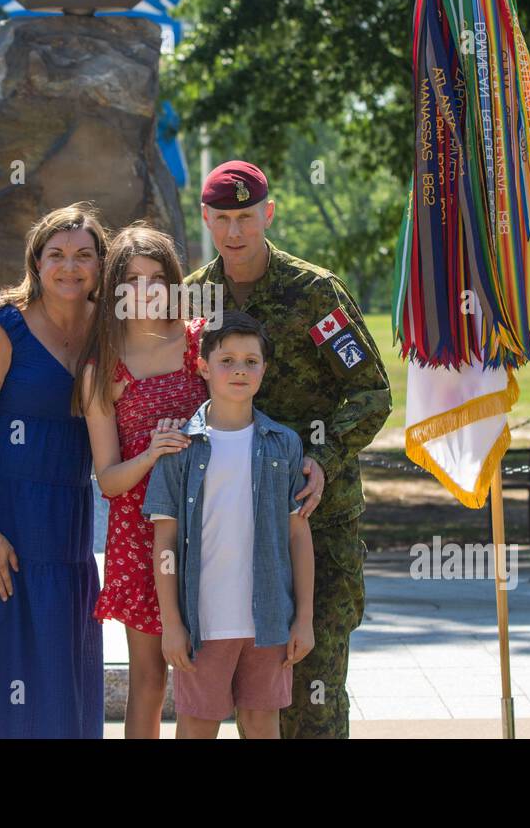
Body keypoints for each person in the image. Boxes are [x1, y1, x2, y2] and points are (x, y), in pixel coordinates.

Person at [184, 160, 393, 739]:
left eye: (246, 217)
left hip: (312, 516)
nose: (234, 232)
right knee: (243, 696)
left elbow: (371, 392)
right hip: (227, 529)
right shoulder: (195, 299)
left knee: (313, 689)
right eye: (222, 219)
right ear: (205, 219)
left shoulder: (315, 294)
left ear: (267, 214)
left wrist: (321, 460)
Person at [0, 203, 109, 738]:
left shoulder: (108, 329)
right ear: (36, 261)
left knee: (58, 671)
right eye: (56, 254)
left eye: (83, 255)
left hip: (61, 523)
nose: (69, 267)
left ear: (101, 264)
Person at [142, 310, 315, 739]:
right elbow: (164, 543)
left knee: (261, 725)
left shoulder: (284, 443)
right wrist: (173, 624)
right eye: (227, 360)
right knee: (197, 726)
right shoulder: (179, 447)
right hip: (203, 622)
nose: (240, 370)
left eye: (251, 362)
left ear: (264, 370)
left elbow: (298, 535)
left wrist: (304, 618)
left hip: (269, 621)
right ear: (203, 366)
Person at [74, 223, 209, 738]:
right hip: (137, 536)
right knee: (150, 679)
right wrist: (152, 453)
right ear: (113, 288)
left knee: (200, 676)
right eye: (131, 279)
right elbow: (107, 480)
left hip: (207, 524)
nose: (145, 290)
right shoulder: (101, 369)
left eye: (157, 277)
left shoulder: (200, 340)